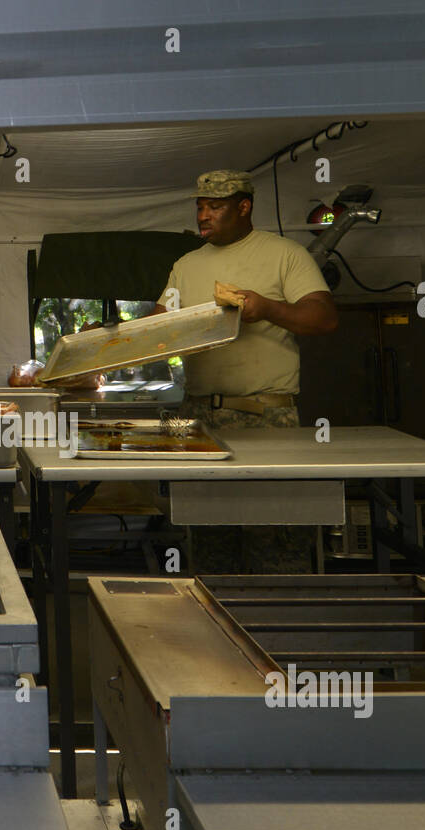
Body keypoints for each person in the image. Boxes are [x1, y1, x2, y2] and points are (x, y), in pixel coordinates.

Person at [152, 169, 338, 572]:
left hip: (267, 415)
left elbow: (324, 319)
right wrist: (106, 339)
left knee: (273, 535)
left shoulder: (285, 254)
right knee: (207, 539)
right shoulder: (185, 264)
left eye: (215, 207)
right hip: (198, 417)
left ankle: (280, 627)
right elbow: (157, 329)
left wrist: (267, 308)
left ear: (243, 206)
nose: (204, 215)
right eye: (200, 206)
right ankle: (218, 624)